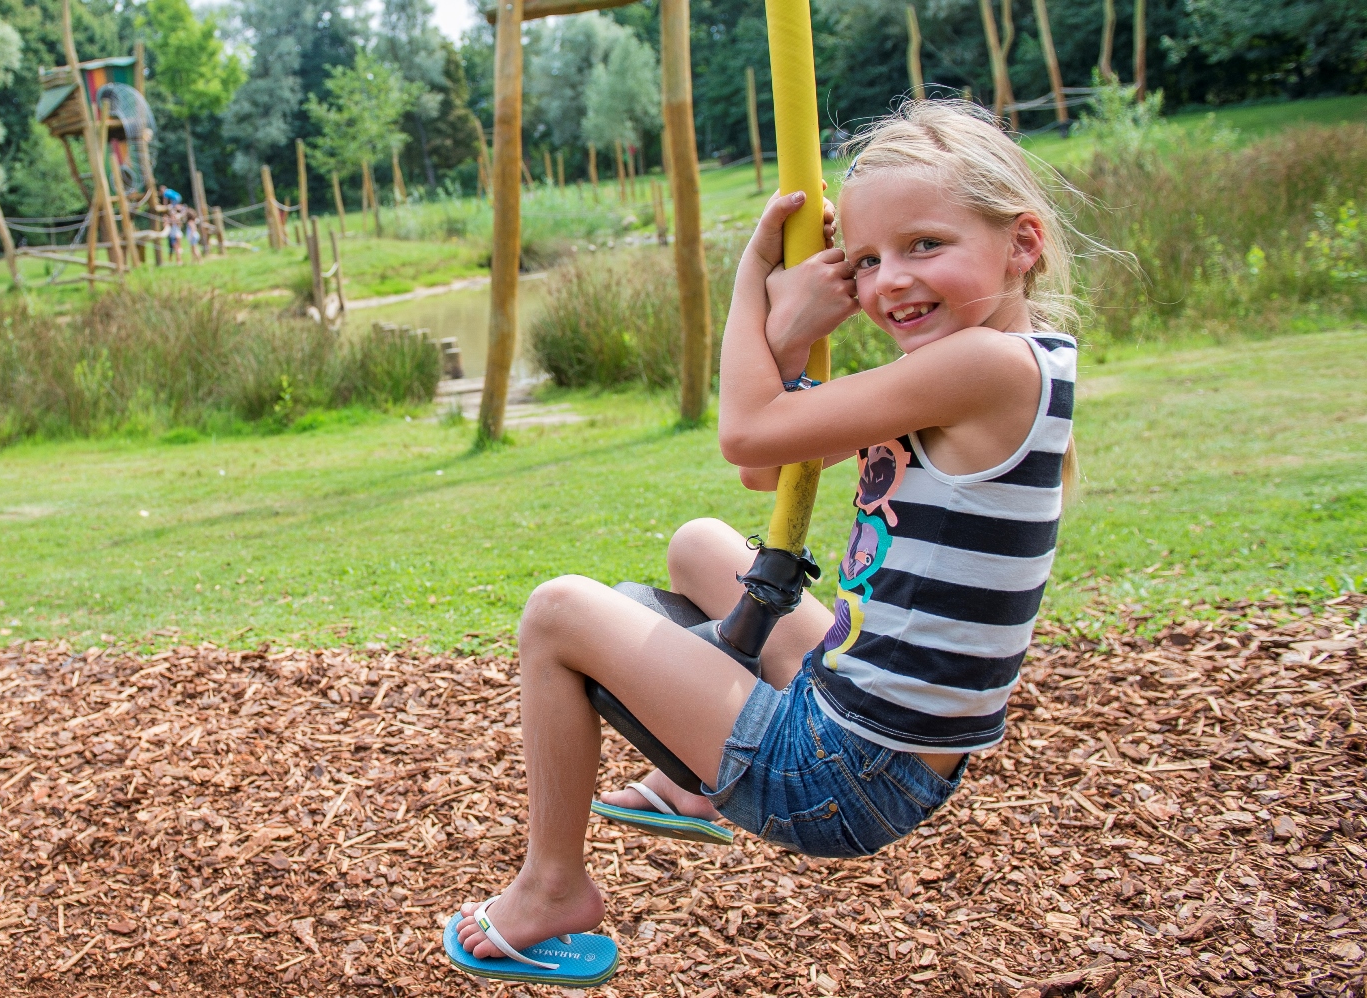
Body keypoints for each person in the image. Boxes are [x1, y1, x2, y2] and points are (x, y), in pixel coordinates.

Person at [444, 100, 1081, 986]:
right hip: (883, 741)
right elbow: (765, 470)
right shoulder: (989, 363)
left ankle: (552, 887)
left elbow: (743, 433)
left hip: (848, 772)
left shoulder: (982, 367)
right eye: (866, 260)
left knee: (558, 613)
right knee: (702, 546)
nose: (890, 281)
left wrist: (755, 280)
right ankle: (691, 780)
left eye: (924, 245)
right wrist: (792, 330)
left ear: (1022, 242)